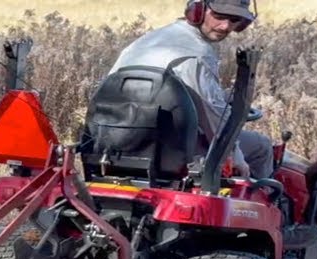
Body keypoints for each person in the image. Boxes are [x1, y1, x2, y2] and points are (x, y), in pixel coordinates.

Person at [106, 0, 275, 179]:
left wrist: (221, 97)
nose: (226, 26)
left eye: (234, 20)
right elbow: (213, 119)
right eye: (219, 16)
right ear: (197, 10)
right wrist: (236, 157)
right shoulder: (197, 54)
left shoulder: (148, 41)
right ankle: (265, 202)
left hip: (115, 142)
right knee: (260, 146)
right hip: (169, 149)